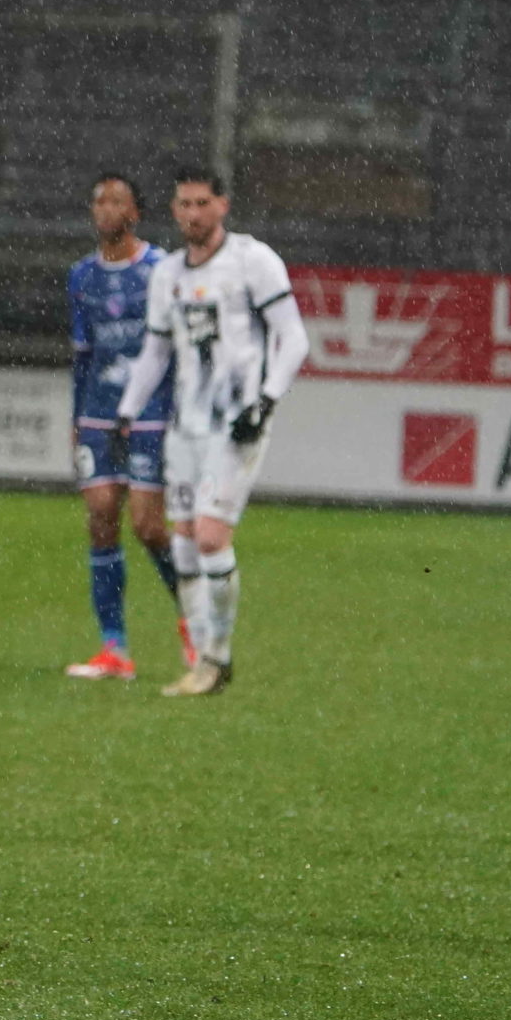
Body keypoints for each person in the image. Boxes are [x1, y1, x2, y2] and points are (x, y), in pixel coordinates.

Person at [110, 168, 309, 697]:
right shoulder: (168, 274)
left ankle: (218, 658)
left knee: (209, 536)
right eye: (183, 204)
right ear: (174, 210)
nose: (192, 214)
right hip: (185, 426)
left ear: (222, 205)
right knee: (183, 547)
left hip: (236, 422)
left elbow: (293, 339)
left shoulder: (252, 261)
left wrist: (264, 402)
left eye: (202, 203)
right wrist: (127, 412)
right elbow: (156, 351)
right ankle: (202, 663)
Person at [62, 173, 187, 681]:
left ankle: (195, 623)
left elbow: (173, 348)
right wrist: (76, 418)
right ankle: (115, 649)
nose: (105, 208)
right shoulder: (81, 277)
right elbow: (83, 354)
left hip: (152, 411)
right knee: (100, 516)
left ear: (135, 211)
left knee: (148, 525)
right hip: (97, 409)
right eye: (98, 200)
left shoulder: (160, 269)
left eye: (116, 200)